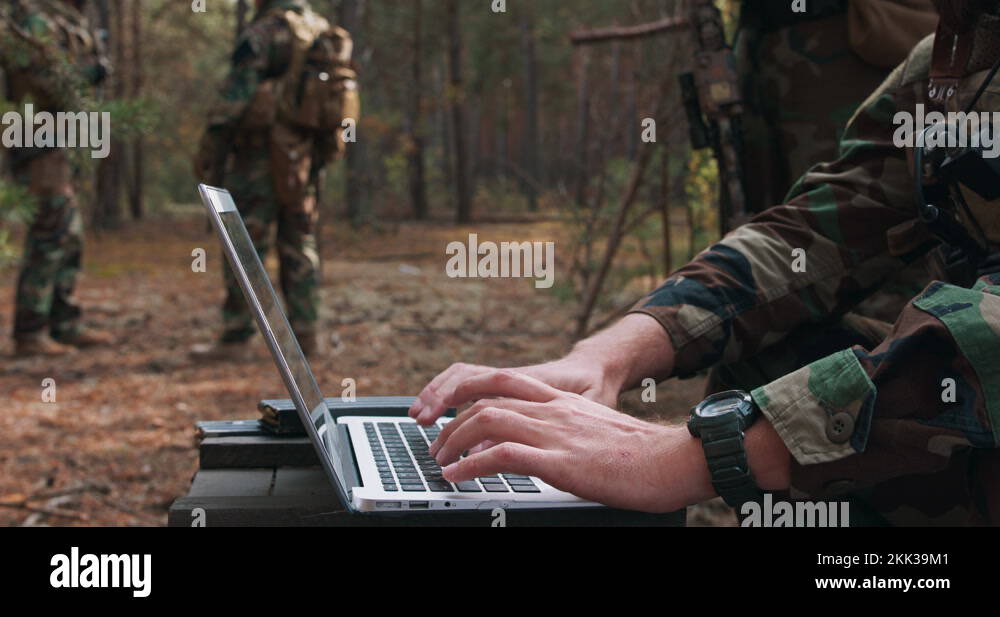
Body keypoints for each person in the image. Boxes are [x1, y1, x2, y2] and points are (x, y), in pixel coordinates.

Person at [409, 0, 1000, 525]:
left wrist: (694, 456)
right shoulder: (959, 52)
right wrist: (608, 356)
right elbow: (819, 228)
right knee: (773, 360)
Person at [194, 0, 358, 358]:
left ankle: (237, 336)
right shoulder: (318, 28)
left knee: (244, 242)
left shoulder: (266, 32)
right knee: (300, 240)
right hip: (304, 157)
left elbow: (235, 98)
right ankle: (307, 333)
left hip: (260, 157)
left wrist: (209, 147)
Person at [1, 0, 112, 357]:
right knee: (50, 229)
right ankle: (30, 331)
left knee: (69, 233)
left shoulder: (67, 18)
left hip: (62, 139)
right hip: (38, 140)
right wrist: (87, 74)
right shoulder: (34, 18)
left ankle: (64, 323)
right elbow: (38, 77)